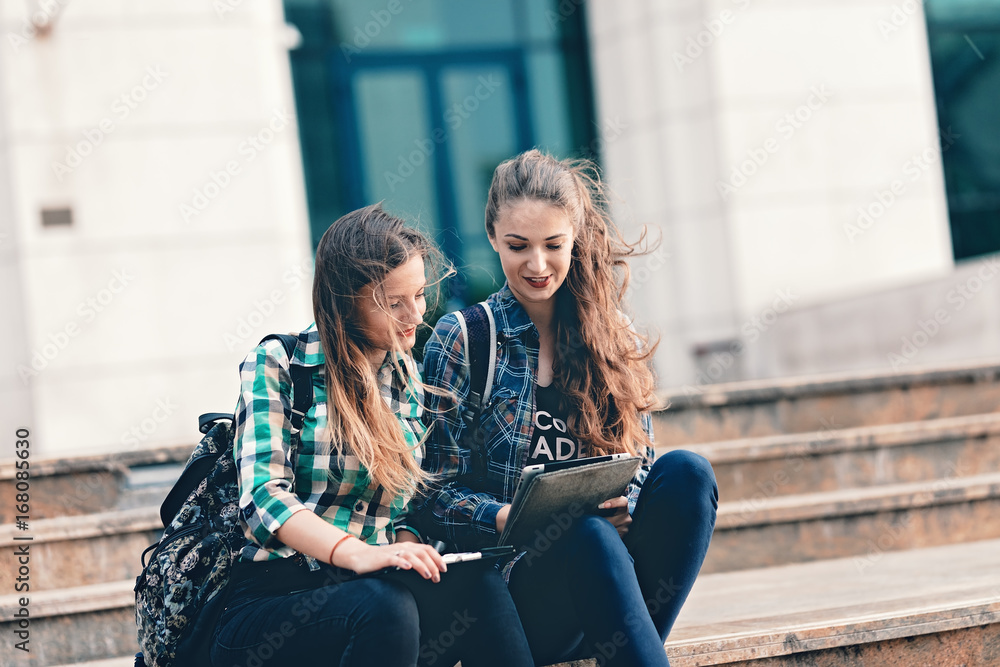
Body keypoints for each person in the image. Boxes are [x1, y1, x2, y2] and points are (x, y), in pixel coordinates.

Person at [419, 150, 719, 666]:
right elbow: (428, 494)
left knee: (688, 474)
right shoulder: (464, 339)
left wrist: (630, 501)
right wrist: (507, 517)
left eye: (553, 245)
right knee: (586, 533)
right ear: (492, 236)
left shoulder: (611, 335)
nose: (537, 265)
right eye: (518, 246)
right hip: (523, 600)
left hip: (615, 584)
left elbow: (639, 464)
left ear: (575, 236)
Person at [211, 204, 534, 667]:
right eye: (392, 303)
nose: (415, 316)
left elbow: (406, 505)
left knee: (477, 583)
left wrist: (403, 542)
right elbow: (264, 500)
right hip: (272, 598)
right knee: (386, 606)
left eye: (420, 296)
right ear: (346, 301)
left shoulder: (405, 377)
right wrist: (356, 554)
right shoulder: (279, 364)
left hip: (369, 591)